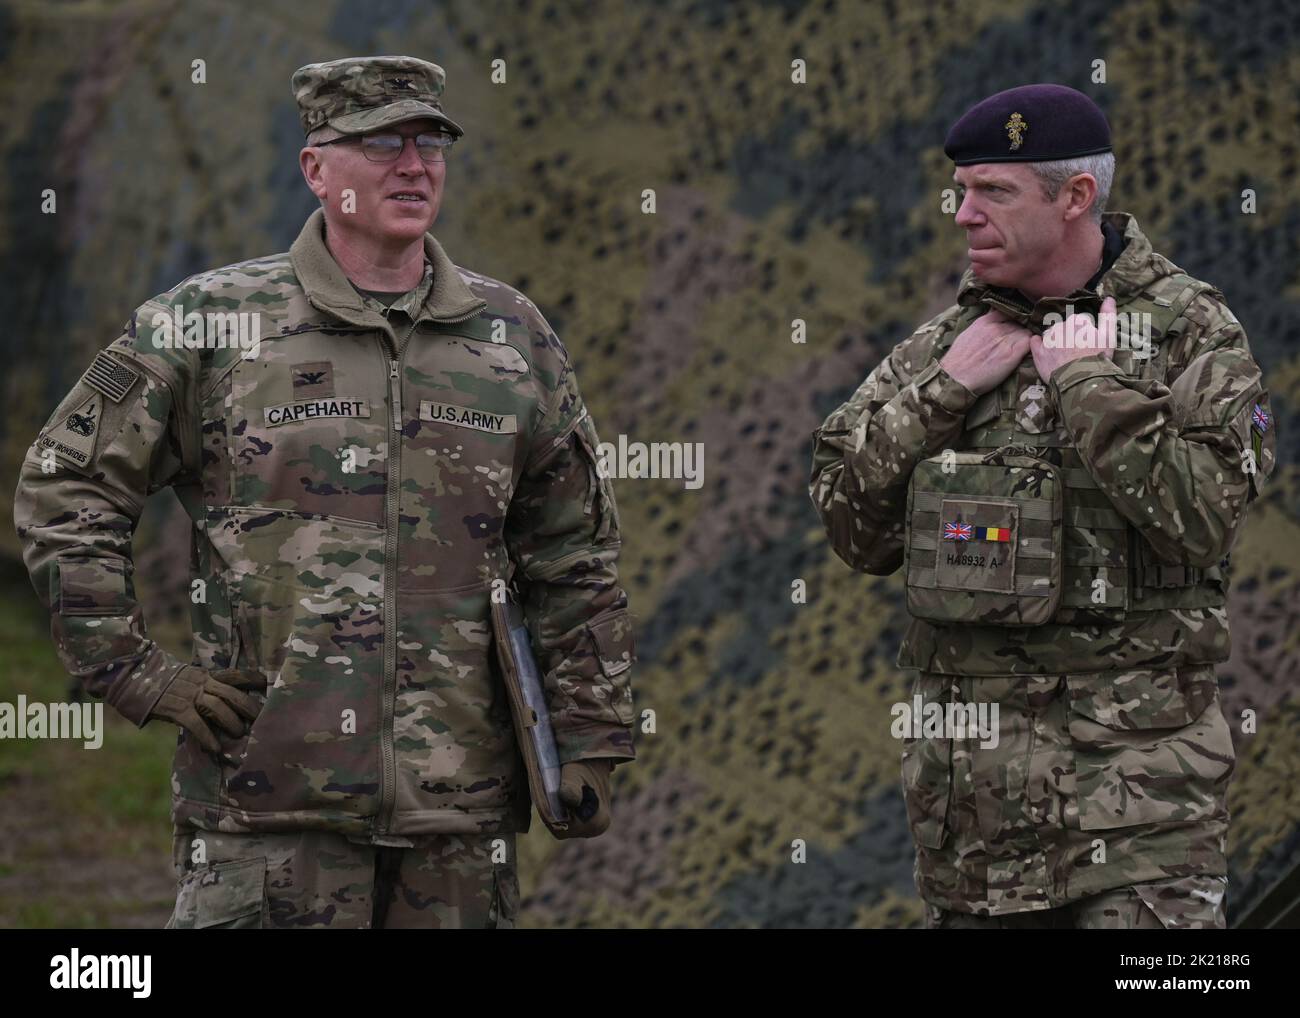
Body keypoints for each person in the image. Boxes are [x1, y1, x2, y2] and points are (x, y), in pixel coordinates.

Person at [14, 55, 636, 929]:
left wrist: (593, 733)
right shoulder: (209, 326)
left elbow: (573, 549)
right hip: (266, 813)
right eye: (383, 143)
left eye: (432, 143)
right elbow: (64, 483)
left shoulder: (513, 337)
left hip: (456, 822)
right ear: (316, 169)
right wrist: (133, 671)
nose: (415, 166)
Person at [809, 83, 1275, 929]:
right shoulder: (945, 344)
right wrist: (943, 394)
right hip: (973, 843)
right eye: (960, 190)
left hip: (1138, 835)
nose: (964, 214)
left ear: (1076, 198)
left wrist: (1089, 385)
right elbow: (850, 524)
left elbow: (1206, 519)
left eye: (994, 191)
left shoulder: (1191, 334)